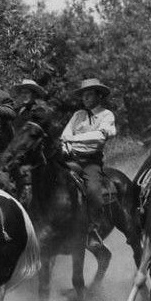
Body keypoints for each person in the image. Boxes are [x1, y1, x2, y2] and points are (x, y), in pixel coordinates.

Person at [60, 78, 117, 243]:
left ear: (99, 96)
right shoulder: (78, 115)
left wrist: (73, 139)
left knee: (93, 191)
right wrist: (66, 145)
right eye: (84, 95)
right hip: (72, 159)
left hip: (91, 162)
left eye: (89, 95)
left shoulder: (106, 115)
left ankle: (94, 228)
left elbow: (99, 137)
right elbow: (64, 136)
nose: (85, 98)